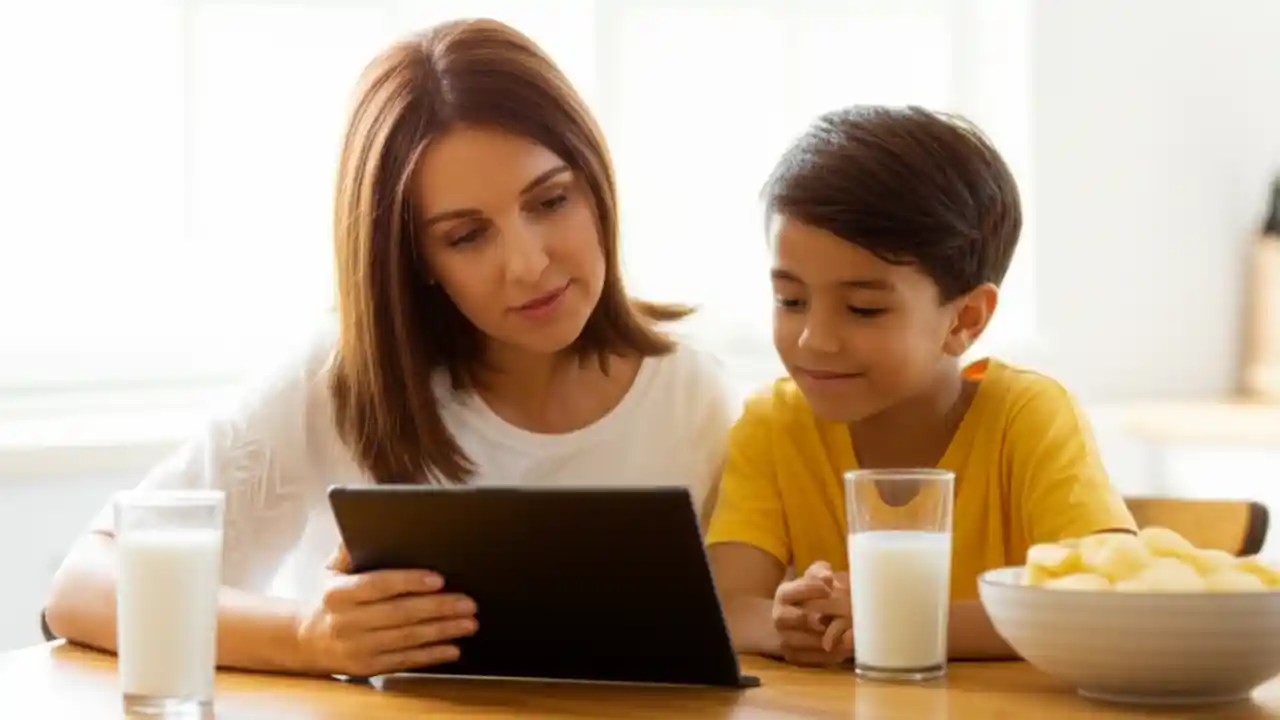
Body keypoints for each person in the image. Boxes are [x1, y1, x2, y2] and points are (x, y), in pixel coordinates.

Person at [45, 18, 734, 678]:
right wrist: (305, 637)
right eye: (467, 236)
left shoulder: (691, 395)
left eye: (550, 201)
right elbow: (81, 585)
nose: (527, 263)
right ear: (416, 259)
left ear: (594, 181)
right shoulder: (341, 383)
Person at [704, 105, 1136, 666]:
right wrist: (787, 623)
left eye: (862, 309)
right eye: (791, 300)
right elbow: (727, 605)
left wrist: (890, 619)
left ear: (964, 321)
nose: (813, 340)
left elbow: (1102, 605)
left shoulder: (1028, 415)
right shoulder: (773, 424)